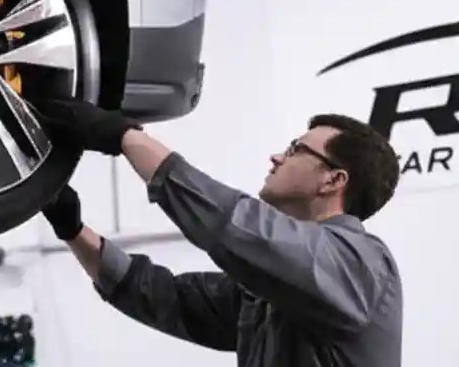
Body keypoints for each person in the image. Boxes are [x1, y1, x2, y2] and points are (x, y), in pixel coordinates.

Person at [33, 99, 404, 367]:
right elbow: (162, 296)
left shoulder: (362, 266)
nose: (277, 157)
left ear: (333, 180)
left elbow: (235, 226)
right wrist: (72, 228)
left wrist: (125, 138)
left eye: (295, 150)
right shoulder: (265, 295)